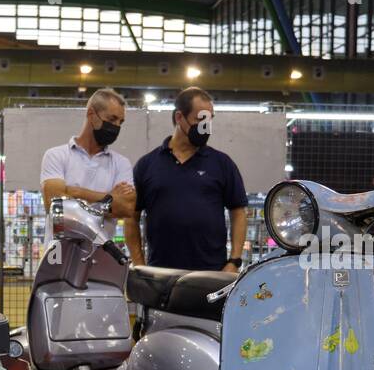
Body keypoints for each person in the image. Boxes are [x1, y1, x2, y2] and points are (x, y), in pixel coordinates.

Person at [125, 86, 247, 272]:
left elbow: (238, 212)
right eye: (200, 120)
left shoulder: (222, 163)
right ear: (179, 117)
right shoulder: (147, 165)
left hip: (211, 273)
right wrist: (140, 265)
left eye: (209, 119)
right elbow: (131, 218)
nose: (205, 126)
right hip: (160, 275)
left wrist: (234, 261)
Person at [39, 87, 137, 223]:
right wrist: (110, 198)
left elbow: (126, 208)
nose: (116, 126)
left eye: (120, 122)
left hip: (102, 245)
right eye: (112, 119)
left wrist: (77, 193)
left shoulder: (121, 163)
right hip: (60, 245)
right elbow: (55, 206)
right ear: (91, 114)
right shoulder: (56, 155)